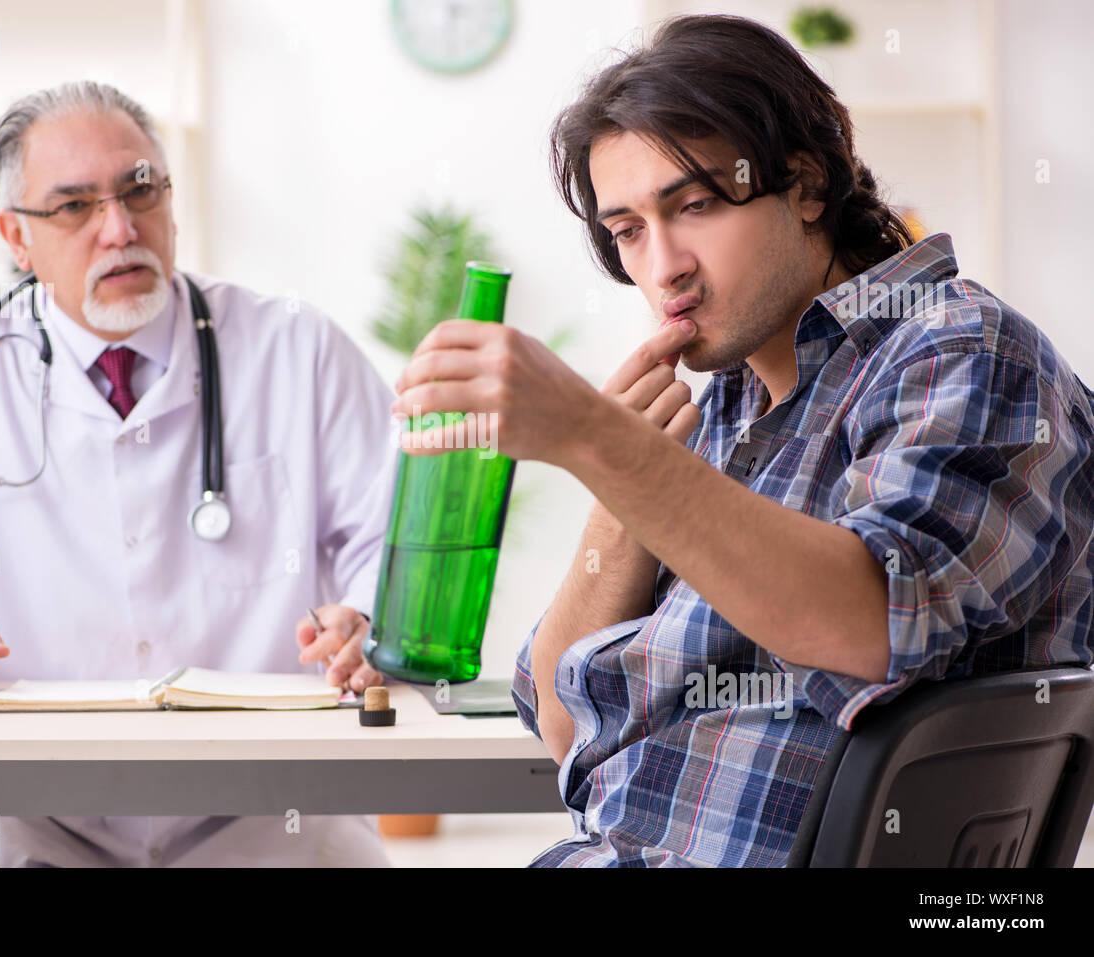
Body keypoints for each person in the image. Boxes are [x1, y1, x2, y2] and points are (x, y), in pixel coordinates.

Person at [391, 14, 1094, 866]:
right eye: (627, 231)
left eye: (692, 206)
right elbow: (561, 718)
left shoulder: (961, 350)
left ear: (805, 183)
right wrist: (618, 502)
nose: (662, 267)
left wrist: (597, 439)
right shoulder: (717, 404)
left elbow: (873, 621)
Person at [0, 81, 397, 867]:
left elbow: (392, 540)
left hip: (271, 818)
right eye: (74, 207)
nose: (120, 228)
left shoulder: (295, 350)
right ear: (15, 238)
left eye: (140, 190)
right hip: (26, 816)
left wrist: (367, 617)